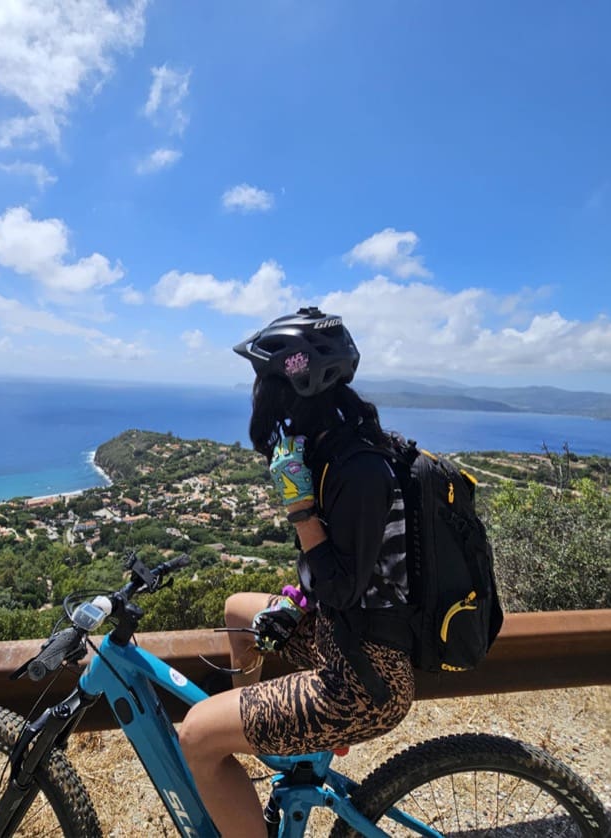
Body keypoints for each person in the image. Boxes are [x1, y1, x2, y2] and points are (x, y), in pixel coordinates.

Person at [175, 307, 416, 837]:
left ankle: (235, 736)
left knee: (194, 736)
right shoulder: (329, 446)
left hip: (363, 679)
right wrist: (296, 601)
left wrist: (300, 508)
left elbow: (343, 584)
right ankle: (259, 731)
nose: (257, 394)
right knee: (240, 609)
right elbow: (342, 573)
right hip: (345, 637)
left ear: (290, 388)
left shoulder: (357, 467)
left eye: (262, 381)